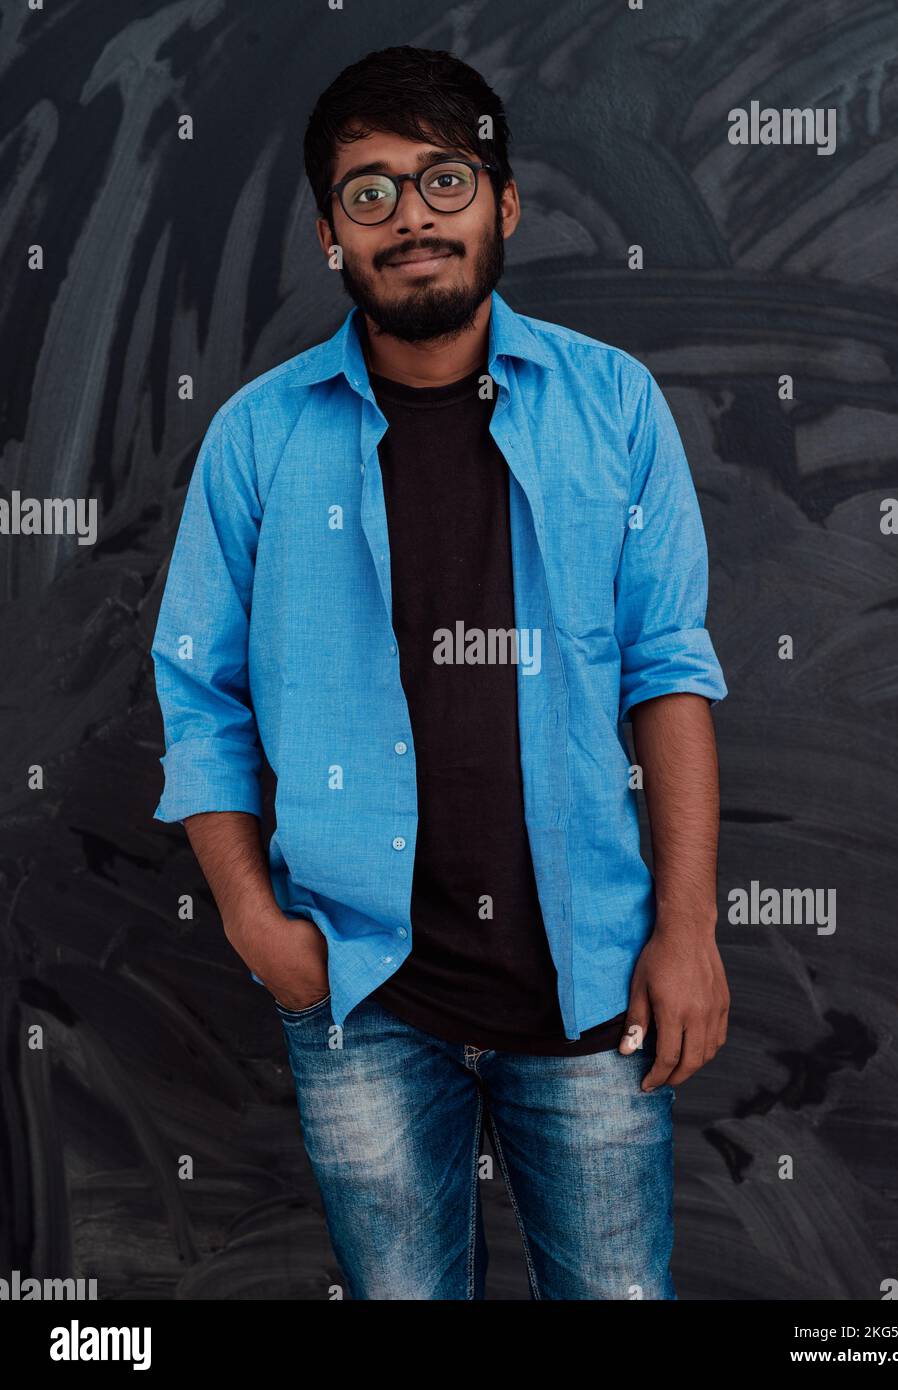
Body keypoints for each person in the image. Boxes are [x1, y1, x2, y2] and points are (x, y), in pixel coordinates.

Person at [150, 44, 730, 1300]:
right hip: (365, 997)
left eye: (444, 179)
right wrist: (258, 926)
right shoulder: (256, 438)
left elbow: (669, 670)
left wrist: (687, 929)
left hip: (589, 984)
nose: (410, 215)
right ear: (331, 234)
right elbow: (200, 697)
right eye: (371, 191)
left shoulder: (615, 406)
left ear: (504, 205)